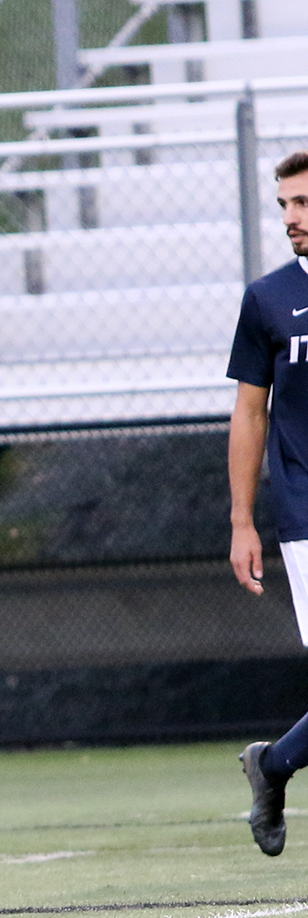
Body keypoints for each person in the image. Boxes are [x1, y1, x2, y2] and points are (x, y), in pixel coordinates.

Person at [232, 150, 308, 856]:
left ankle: (274, 762)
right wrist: (242, 520)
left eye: (304, 203)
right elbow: (250, 414)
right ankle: (274, 763)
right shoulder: (269, 299)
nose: (290, 218)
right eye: (284, 205)